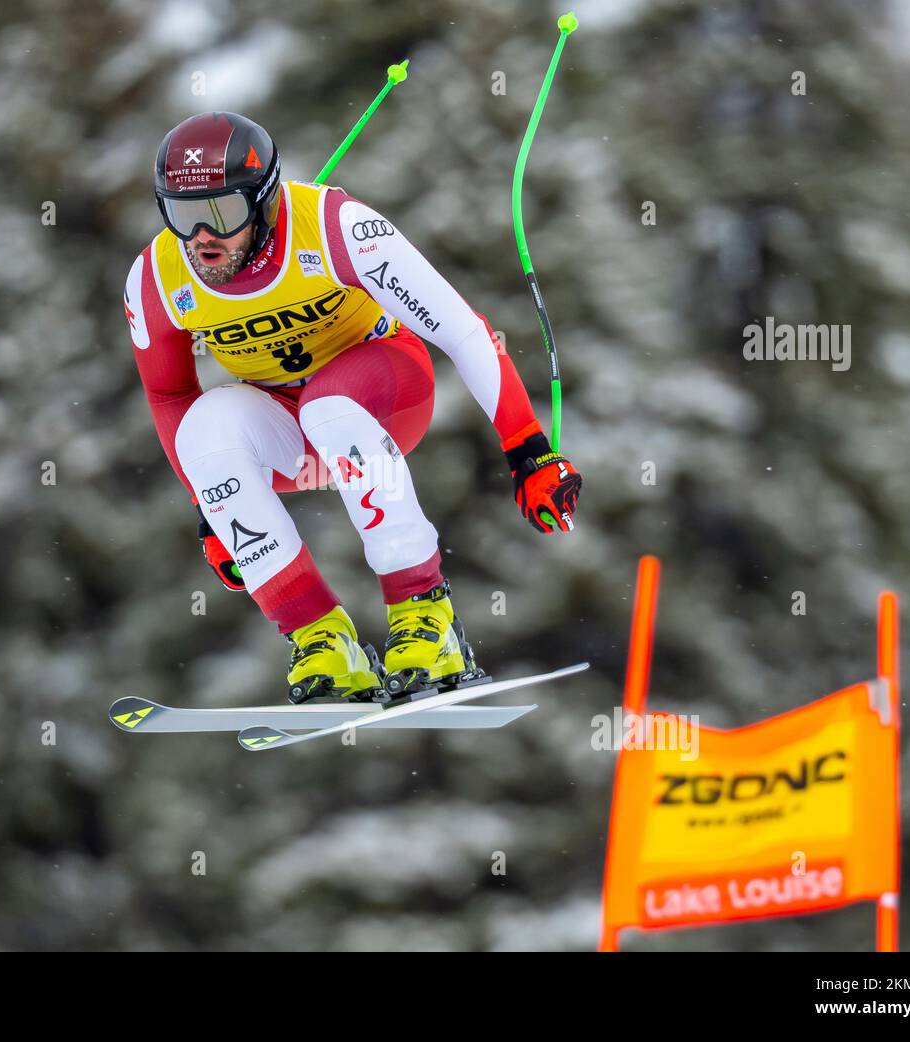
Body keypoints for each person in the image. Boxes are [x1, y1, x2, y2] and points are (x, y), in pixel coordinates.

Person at [125, 110, 582, 703]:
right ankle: (321, 637)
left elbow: (463, 331)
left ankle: (425, 616)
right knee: (205, 427)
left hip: (385, 395)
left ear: (264, 201)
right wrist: (210, 514)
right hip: (291, 427)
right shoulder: (157, 277)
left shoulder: (337, 228)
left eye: (222, 213)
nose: (201, 239)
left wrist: (527, 446)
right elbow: (168, 394)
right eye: (182, 216)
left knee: (329, 407)